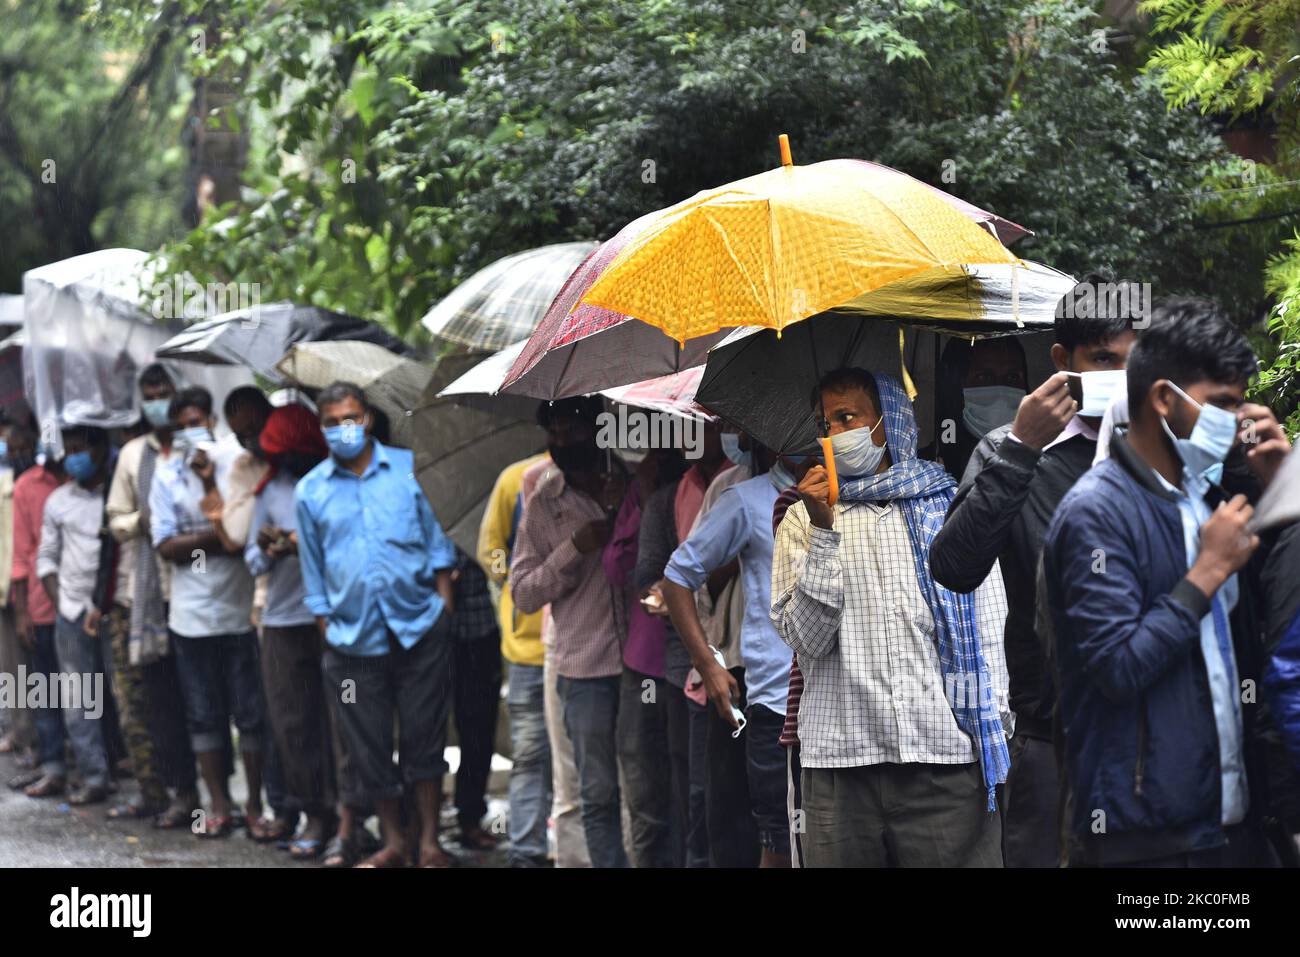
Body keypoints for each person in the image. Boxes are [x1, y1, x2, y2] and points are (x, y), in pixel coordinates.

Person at [1042, 298, 1292, 867]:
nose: (1236, 423)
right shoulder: (1096, 513)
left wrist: (1280, 492)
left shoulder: (1206, 501)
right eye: (1222, 405)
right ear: (1162, 398)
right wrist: (1205, 573)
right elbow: (1116, 667)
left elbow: (1273, 633)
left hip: (1231, 824)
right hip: (1144, 838)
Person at [929, 279, 1137, 866]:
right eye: (1103, 360)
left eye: (1133, 361)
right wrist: (1022, 448)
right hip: (1049, 737)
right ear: (1061, 362)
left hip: (1154, 735)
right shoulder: (1008, 451)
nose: (1120, 376)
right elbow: (954, 568)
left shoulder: (1169, 451)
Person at [771, 369, 1012, 867]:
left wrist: (995, 726)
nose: (834, 434)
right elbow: (807, 640)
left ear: (890, 421)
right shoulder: (802, 518)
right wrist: (823, 533)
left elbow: (989, 626)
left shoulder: (948, 506)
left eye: (847, 417)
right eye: (825, 422)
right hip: (841, 768)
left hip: (944, 760)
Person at [295, 381, 457, 869]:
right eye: (332, 422)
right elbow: (313, 566)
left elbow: (437, 547)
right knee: (366, 745)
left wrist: (443, 606)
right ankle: (393, 842)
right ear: (321, 428)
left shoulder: (409, 472)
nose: (344, 429)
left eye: (351, 418)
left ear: (366, 418)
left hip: (419, 628)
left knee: (425, 737)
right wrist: (325, 622)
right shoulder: (311, 491)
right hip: (350, 640)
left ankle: (428, 841)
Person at [662, 435, 795, 868]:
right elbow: (678, 575)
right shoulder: (748, 501)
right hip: (777, 705)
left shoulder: (858, 495)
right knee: (778, 842)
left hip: (847, 706)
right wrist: (709, 665)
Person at [510, 395, 630, 868]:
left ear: (598, 430)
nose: (562, 443)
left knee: (646, 786)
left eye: (572, 432)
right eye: (554, 434)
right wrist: (573, 548)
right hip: (584, 670)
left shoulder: (634, 484)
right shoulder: (543, 502)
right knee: (595, 791)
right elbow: (522, 593)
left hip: (644, 665)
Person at [150, 387, 268, 838]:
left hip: (238, 612)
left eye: (196, 422)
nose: (189, 432)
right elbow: (165, 545)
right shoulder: (164, 477)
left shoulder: (235, 464)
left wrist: (209, 498)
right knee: (203, 713)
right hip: (191, 617)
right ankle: (219, 805)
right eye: (180, 426)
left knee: (251, 714)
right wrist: (221, 539)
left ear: (212, 423)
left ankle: (254, 805)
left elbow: (245, 537)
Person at [105, 363, 202, 829]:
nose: (158, 399)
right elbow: (115, 519)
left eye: (164, 391)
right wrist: (145, 521)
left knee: (201, 702)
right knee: (158, 703)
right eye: (150, 393)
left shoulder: (194, 446)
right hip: (145, 598)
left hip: (194, 591)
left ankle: (216, 800)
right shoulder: (131, 455)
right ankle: (178, 793)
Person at [244, 402, 337, 859]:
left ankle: (347, 815)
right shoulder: (271, 491)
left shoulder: (333, 483)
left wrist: (309, 544)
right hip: (283, 619)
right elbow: (251, 556)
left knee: (339, 718)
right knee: (292, 723)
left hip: (333, 618)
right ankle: (313, 812)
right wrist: (268, 549)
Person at [36, 424, 129, 805]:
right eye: (68, 449)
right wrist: (63, 604)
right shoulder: (58, 501)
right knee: (79, 698)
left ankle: (144, 779)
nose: (73, 456)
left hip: (115, 608)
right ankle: (94, 776)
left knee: (125, 697)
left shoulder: (116, 497)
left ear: (102, 450)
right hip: (73, 612)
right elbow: (46, 559)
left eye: (81, 448)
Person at [603, 447, 686, 867]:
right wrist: (641, 499)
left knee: (685, 778)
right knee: (642, 777)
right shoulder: (640, 496)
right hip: (646, 664)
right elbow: (618, 570)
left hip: (690, 665)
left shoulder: (712, 489)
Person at [478, 452, 552, 868]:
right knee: (529, 755)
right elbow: (490, 548)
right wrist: (516, 582)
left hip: (591, 650)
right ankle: (527, 850)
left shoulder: (607, 473)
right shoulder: (515, 478)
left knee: (581, 758)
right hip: (526, 649)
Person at [9, 434, 67, 797]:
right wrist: (22, 611)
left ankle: (94, 768)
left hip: (82, 605)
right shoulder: (27, 486)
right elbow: (21, 554)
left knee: (85, 692)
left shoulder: (83, 484)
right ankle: (54, 765)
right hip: (41, 605)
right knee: (46, 690)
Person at [447, 546, 503, 851]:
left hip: (480, 634)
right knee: (423, 731)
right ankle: (414, 821)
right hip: (434, 637)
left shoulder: (479, 523)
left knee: (479, 732)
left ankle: (470, 816)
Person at [935, 336, 1029, 480]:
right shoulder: (930, 471)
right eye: (984, 377)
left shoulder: (1043, 465)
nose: (1000, 394)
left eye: (1012, 377)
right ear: (957, 384)